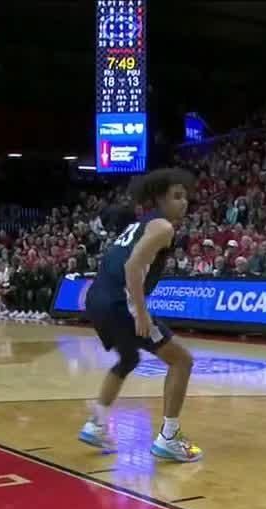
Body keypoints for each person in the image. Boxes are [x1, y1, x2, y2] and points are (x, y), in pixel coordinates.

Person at [77, 168, 202, 463]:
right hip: (121, 301)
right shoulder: (163, 228)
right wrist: (141, 313)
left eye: (186, 197)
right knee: (182, 360)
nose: (184, 202)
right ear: (159, 198)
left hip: (98, 299)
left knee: (129, 358)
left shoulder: (139, 225)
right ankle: (169, 438)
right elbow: (132, 267)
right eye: (177, 196)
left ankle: (96, 423)